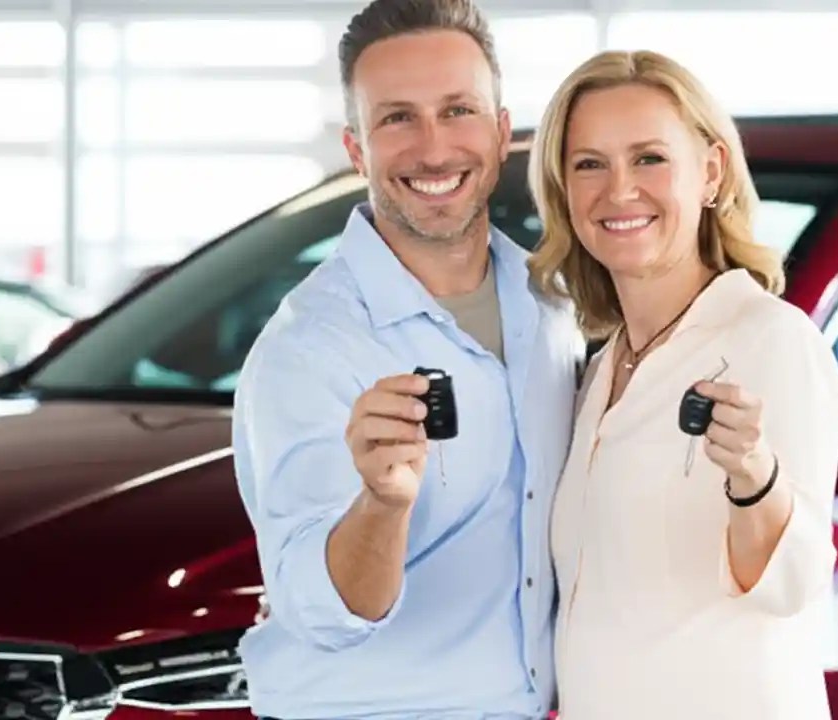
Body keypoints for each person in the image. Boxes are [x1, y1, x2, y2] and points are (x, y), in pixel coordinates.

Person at [230, 0, 583, 718]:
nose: (433, 149)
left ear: (500, 131)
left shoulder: (550, 305)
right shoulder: (309, 347)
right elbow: (320, 612)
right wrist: (382, 505)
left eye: (458, 111)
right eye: (396, 118)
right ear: (357, 149)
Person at [527, 50, 838, 719]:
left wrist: (754, 478)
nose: (619, 190)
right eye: (589, 163)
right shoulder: (601, 369)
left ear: (710, 172)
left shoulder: (771, 340)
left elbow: (795, 583)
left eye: (649, 158)